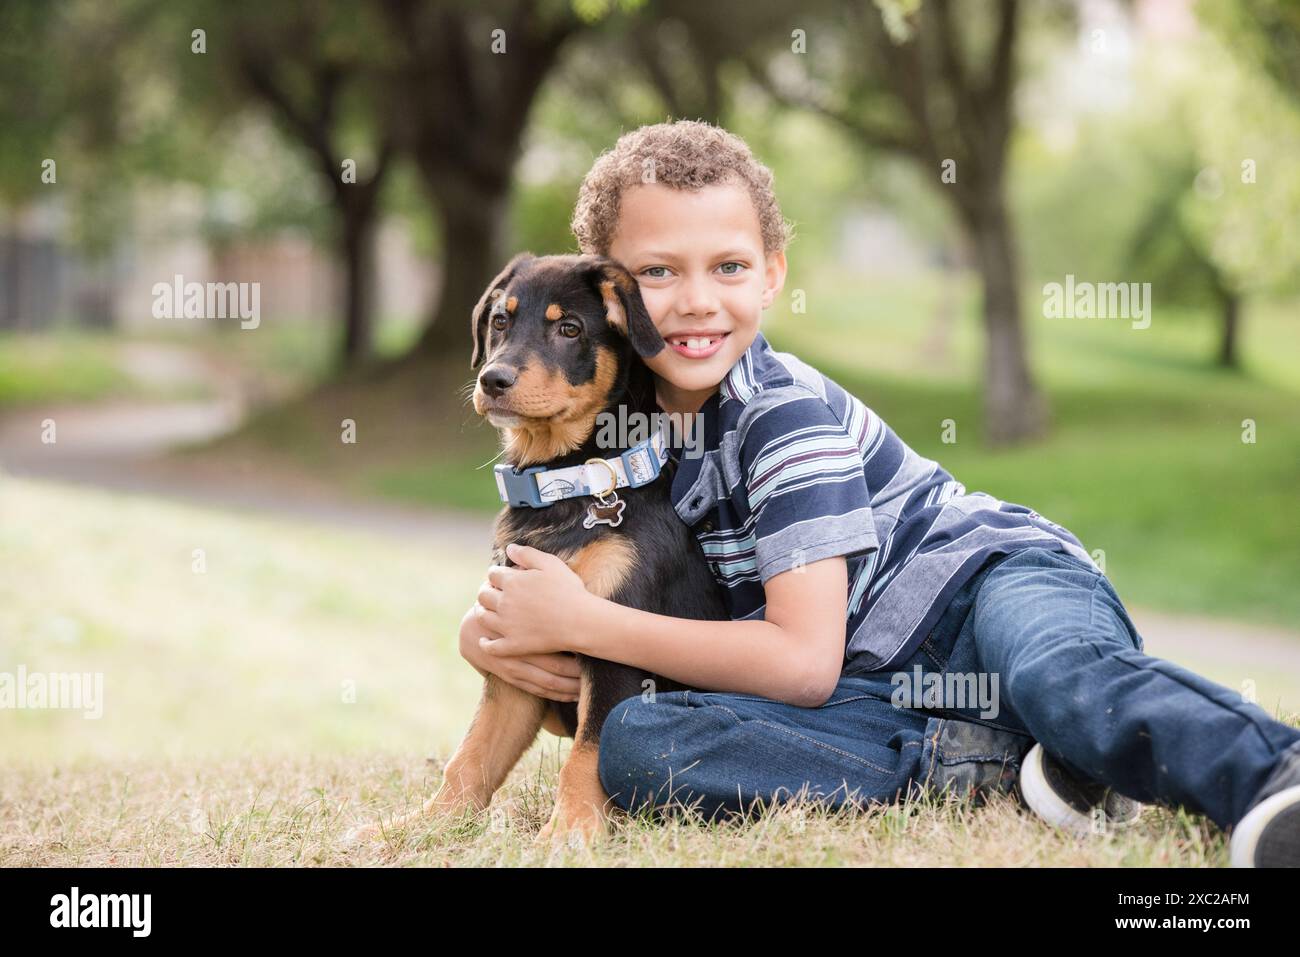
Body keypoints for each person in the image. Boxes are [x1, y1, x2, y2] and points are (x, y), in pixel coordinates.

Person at [463, 119, 1300, 866]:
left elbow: (798, 660)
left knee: (1058, 671)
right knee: (641, 745)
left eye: (728, 266)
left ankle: (1271, 775)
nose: (695, 300)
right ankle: (996, 758)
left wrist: (583, 621)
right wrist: (492, 637)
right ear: (608, 290)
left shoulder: (781, 415)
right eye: (658, 270)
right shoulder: (626, 441)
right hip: (881, 686)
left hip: (987, 586)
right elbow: (648, 647)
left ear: (771, 274)